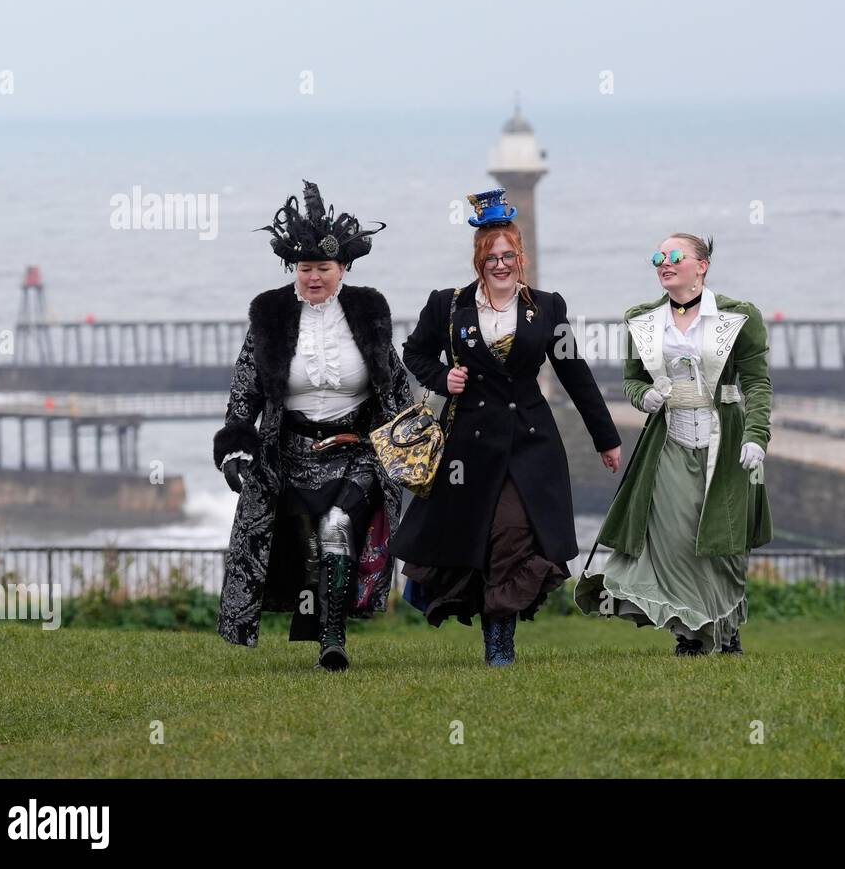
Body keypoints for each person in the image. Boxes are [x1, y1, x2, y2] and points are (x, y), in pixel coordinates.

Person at [390, 189, 622, 666]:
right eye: (491, 257)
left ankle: (500, 643)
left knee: (513, 534)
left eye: (508, 255)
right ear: (479, 260)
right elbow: (413, 353)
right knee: (478, 539)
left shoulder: (547, 307)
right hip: (467, 450)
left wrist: (607, 438)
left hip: (530, 443)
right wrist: (442, 377)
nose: (500, 264)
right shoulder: (448, 306)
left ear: (521, 256)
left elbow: (573, 372)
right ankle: (486, 628)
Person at [213, 181, 415, 670]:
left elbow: (395, 386)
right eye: (305, 268)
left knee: (338, 529)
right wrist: (236, 450)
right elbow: (245, 391)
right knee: (305, 548)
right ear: (293, 269)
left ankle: (333, 638)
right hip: (290, 457)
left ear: (343, 269)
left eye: (324, 267)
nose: (314, 277)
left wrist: (413, 444)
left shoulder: (370, 311)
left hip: (358, 451)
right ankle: (315, 623)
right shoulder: (269, 314)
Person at [575, 234, 773, 655]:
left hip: (728, 442)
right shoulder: (642, 320)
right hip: (670, 442)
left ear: (701, 265)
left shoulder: (741, 316)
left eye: (674, 257)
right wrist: (642, 397)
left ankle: (726, 629)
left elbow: (757, 384)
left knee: (724, 541)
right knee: (677, 540)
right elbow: (633, 379)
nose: (664, 263)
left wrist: (758, 436)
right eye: (658, 258)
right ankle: (689, 635)